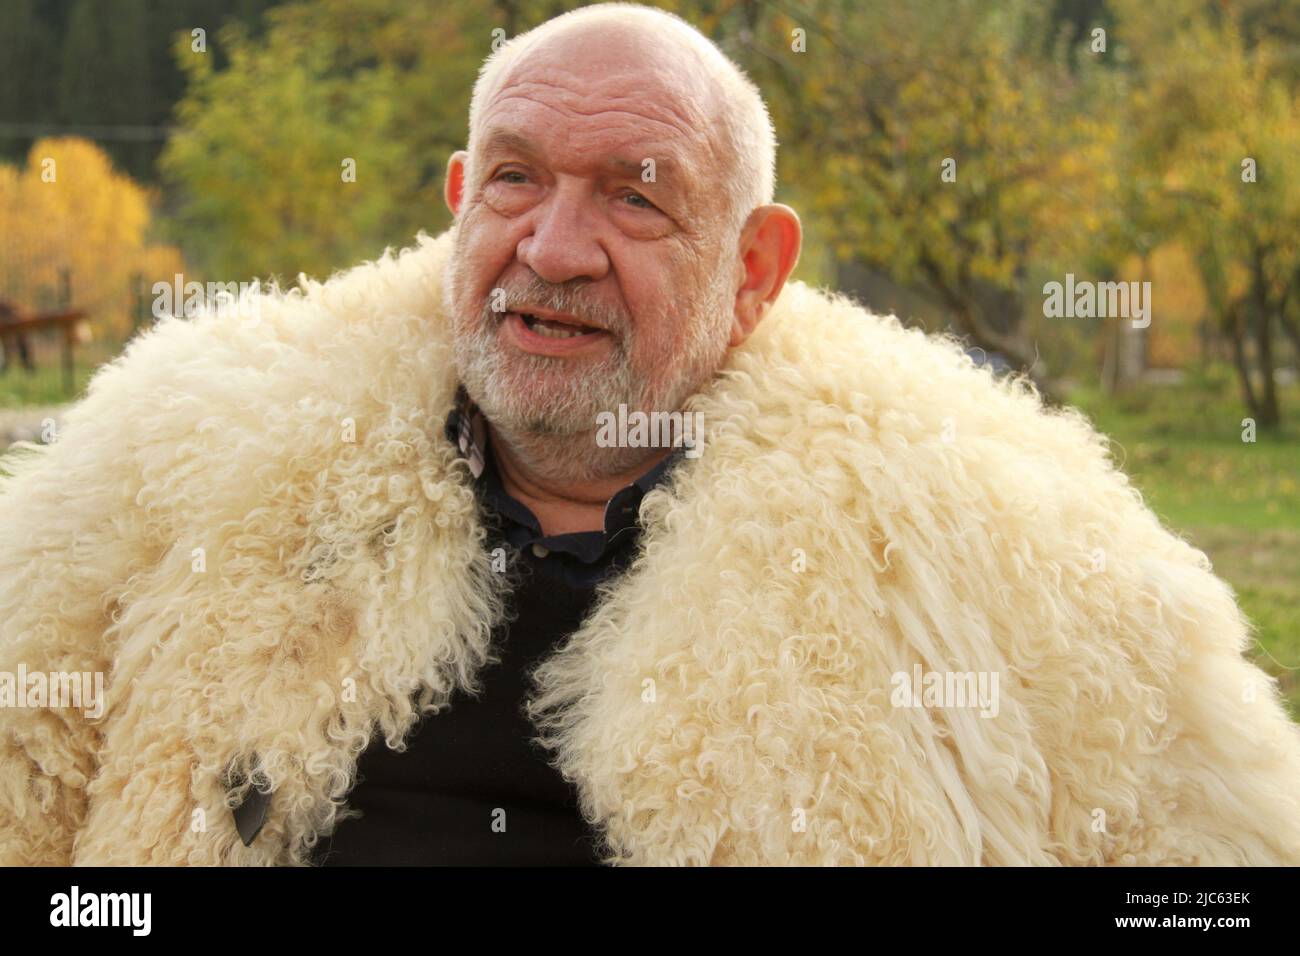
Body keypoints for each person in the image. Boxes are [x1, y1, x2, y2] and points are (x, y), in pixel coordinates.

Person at [1, 3, 1298, 867]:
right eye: (515, 177)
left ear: (755, 265)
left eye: (637, 195)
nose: (553, 250)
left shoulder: (1001, 542)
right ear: (460, 204)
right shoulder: (182, 459)